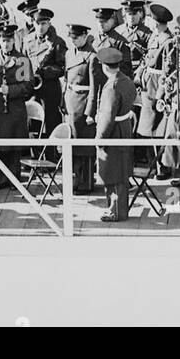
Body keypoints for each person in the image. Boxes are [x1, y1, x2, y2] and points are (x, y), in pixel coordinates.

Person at [0, 23, 33, 189]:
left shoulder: (21, 61)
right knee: (0, 143)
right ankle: (2, 178)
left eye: (9, 40)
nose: (6, 44)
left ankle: (15, 179)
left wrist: (10, 90)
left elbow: (27, 86)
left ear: (14, 40)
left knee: (14, 144)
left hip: (15, 107)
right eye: (3, 40)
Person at [93, 44, 135, 223]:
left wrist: (99, 139)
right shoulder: (126, 80)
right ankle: (116, 208)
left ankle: (115, 210)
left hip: (113, 132)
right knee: (121, 170)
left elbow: (108, 117)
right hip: (124, 128)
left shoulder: (111, 87)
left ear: (104, 66)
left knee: (113, 172)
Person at [64, 23, 98, 193]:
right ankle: (76, 179)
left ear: (85, 36)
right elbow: (66, 80)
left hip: (84, 105)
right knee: (73, 145)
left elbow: (95, 88)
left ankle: (87, 181)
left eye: (76, 37)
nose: (73, 40)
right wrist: (64, 101)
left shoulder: (92, 57)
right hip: (71, 103)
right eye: (71, 37)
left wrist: (91, 112)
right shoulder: (69, 54)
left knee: (85, 147)